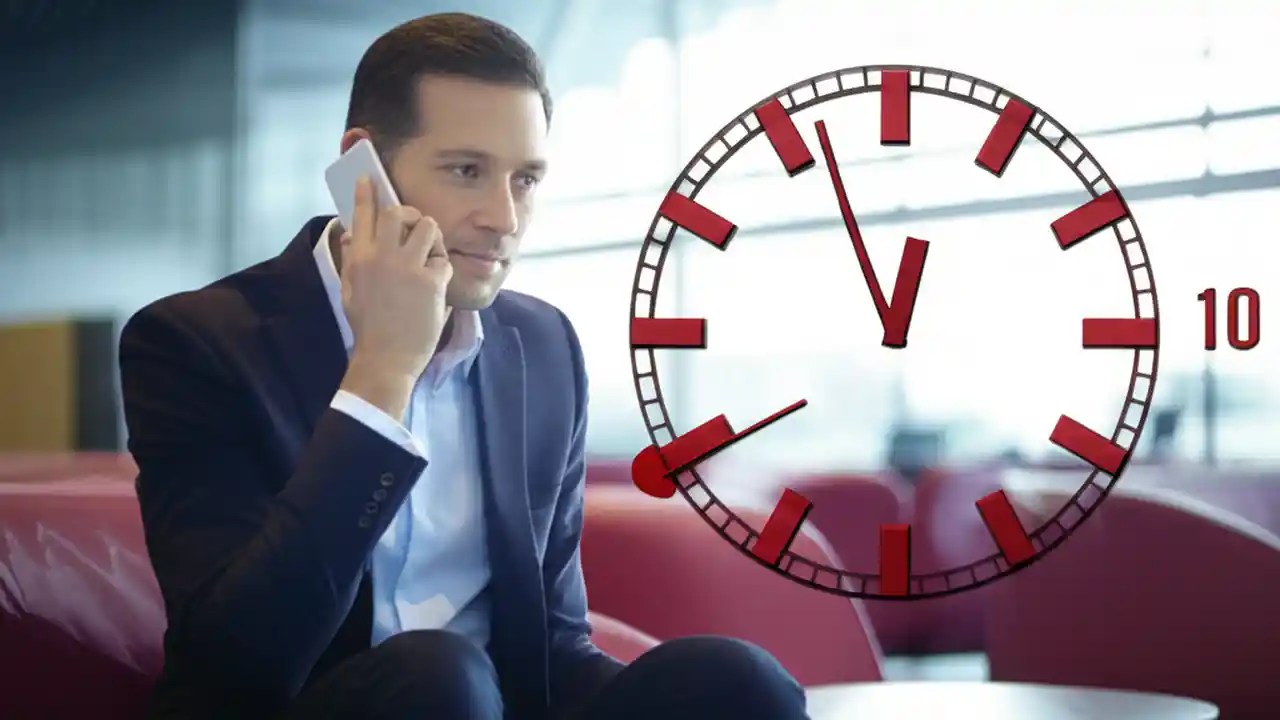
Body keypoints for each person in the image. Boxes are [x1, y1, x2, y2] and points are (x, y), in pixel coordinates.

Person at [118, 11, 810, 720]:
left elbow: (554, 646)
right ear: (365, 171)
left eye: (525, 180)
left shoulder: (541, 347)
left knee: (738, 680)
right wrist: (383, 370)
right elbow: (234, 668)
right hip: (334, 703)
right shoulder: (194, 343)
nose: (504, 218)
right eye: (467, 171)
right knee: (438, 677)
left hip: (483, 701)